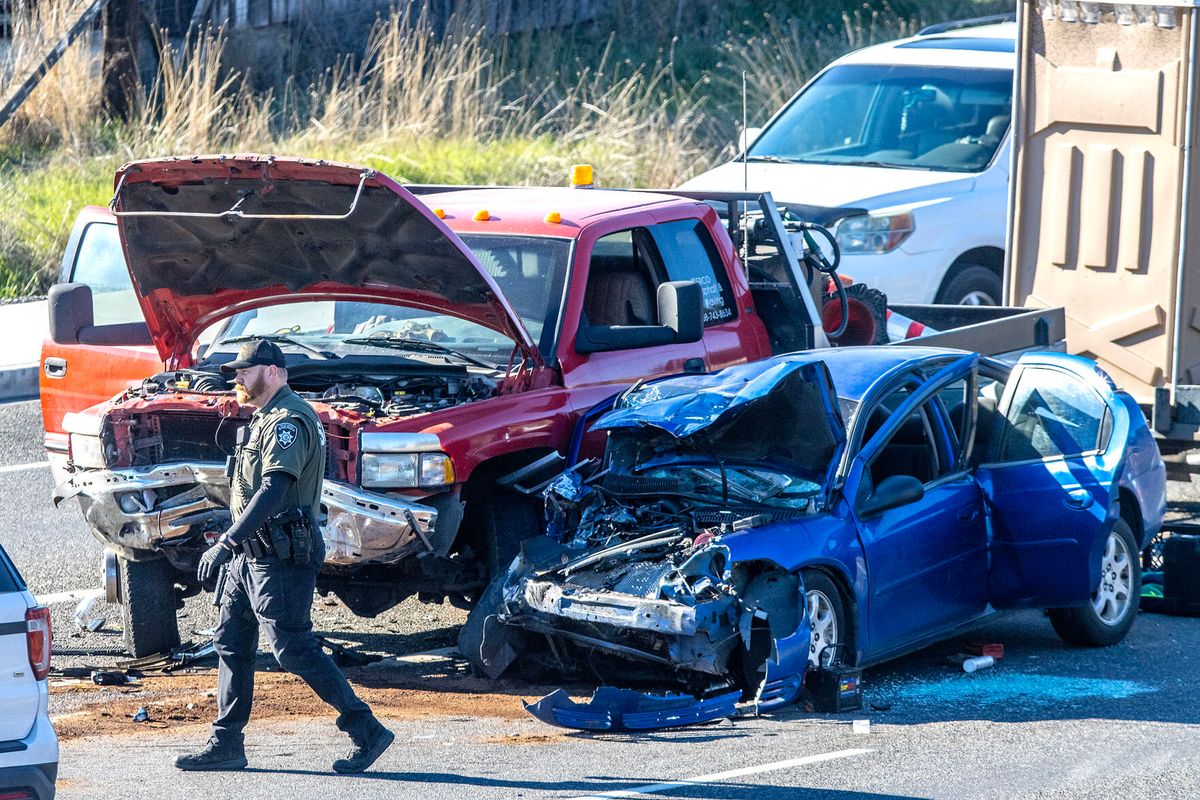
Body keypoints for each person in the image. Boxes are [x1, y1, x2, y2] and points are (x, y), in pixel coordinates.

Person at [176, 338, 394, 773]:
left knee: (291, 647)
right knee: (231, 642)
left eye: (244, 370)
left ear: (272, 371)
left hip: (279, 554)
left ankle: (365, 729)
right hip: (250, 554)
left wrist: (226, 542)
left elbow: (275, 489)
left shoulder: (288, 420)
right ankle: (226, 744)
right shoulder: (263, 419)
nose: (237, 378)